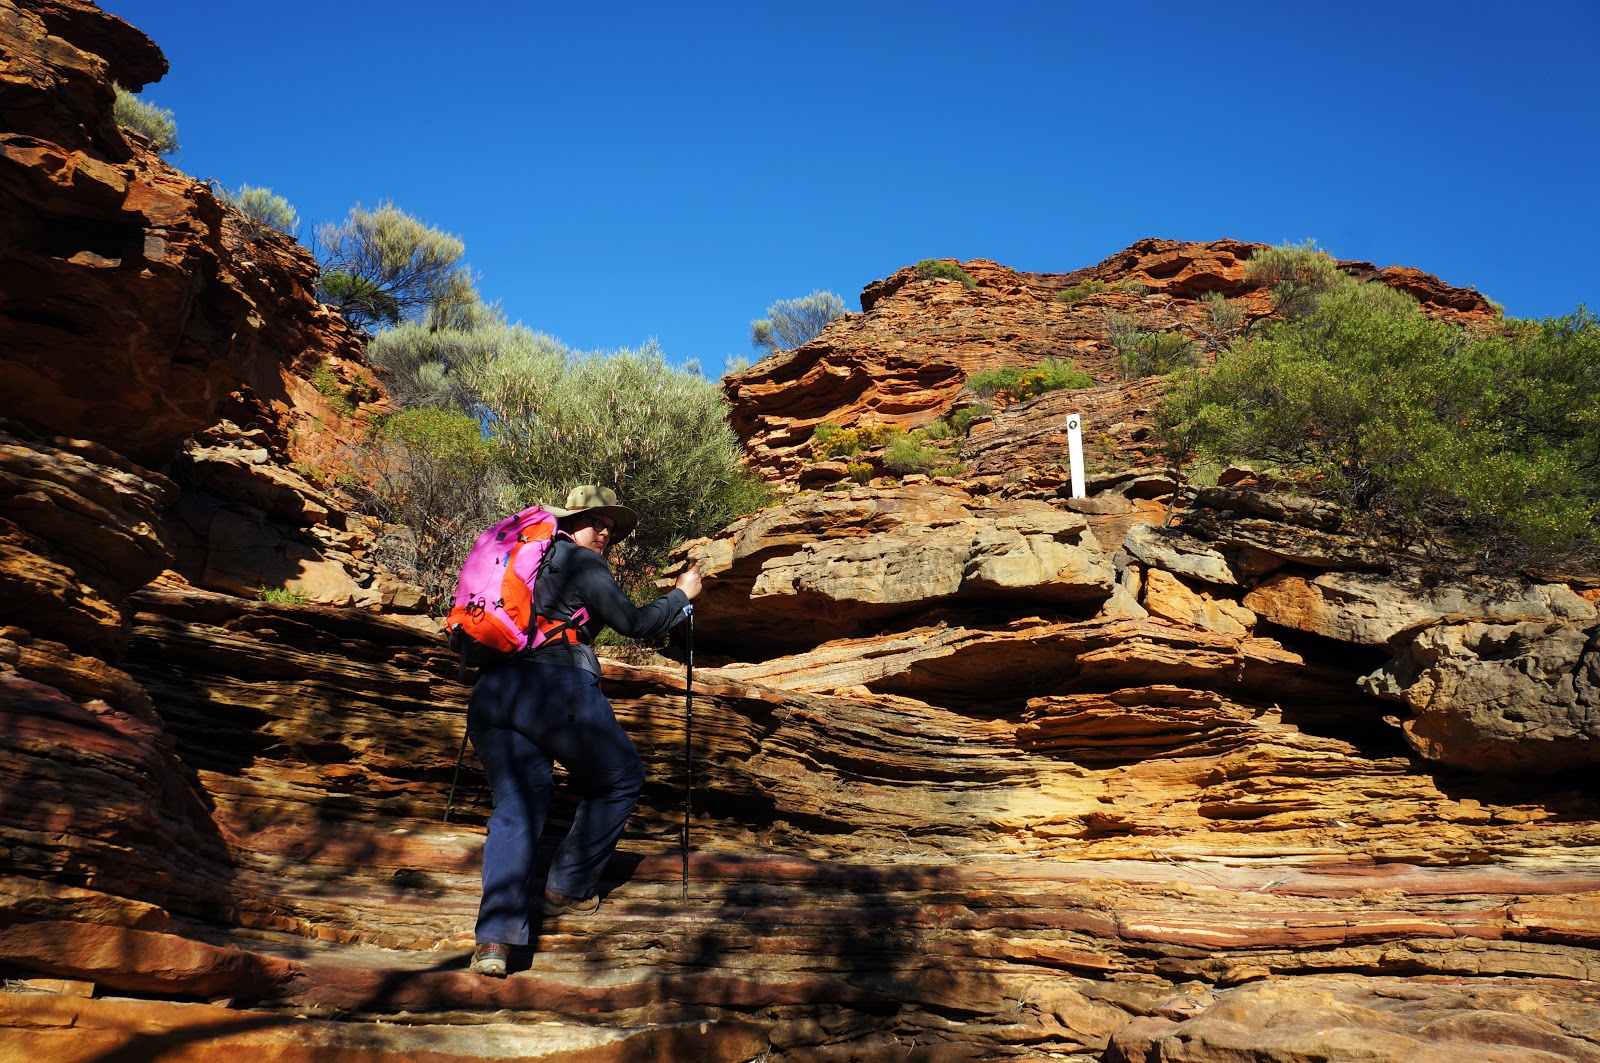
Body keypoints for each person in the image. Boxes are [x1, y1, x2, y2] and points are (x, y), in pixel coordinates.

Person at [468, 485, 702, 977]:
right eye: (597, 521)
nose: (605, 533)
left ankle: (495, 942)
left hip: (493, 693)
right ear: (570, 522)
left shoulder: (517, 562)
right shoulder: (579, 562)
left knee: (518, 808)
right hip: (555, 688)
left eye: (611, 528)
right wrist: (682, 596)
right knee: (620, 778)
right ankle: (564, 890)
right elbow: (636, 624)